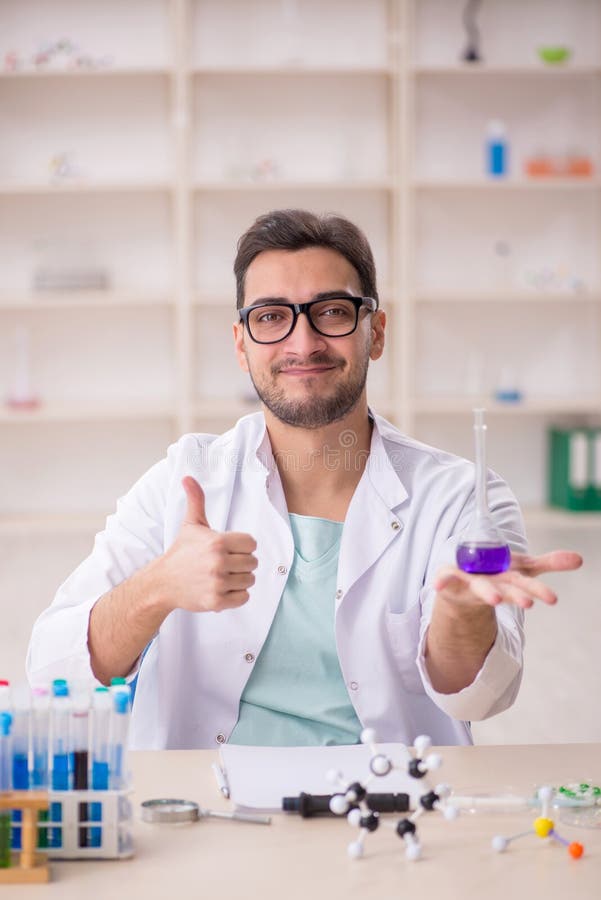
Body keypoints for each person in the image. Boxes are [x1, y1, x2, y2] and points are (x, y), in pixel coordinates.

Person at [27, 209, 581, 749]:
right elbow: (55, 667)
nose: (303, 343)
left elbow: (478, 699)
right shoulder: (186, 479)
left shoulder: (462, 498)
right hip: (207, 813)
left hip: (389, 809)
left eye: (333, 312)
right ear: (242, 346)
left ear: (376, 332)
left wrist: (461, 613)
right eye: (271, 317)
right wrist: (158, 587)